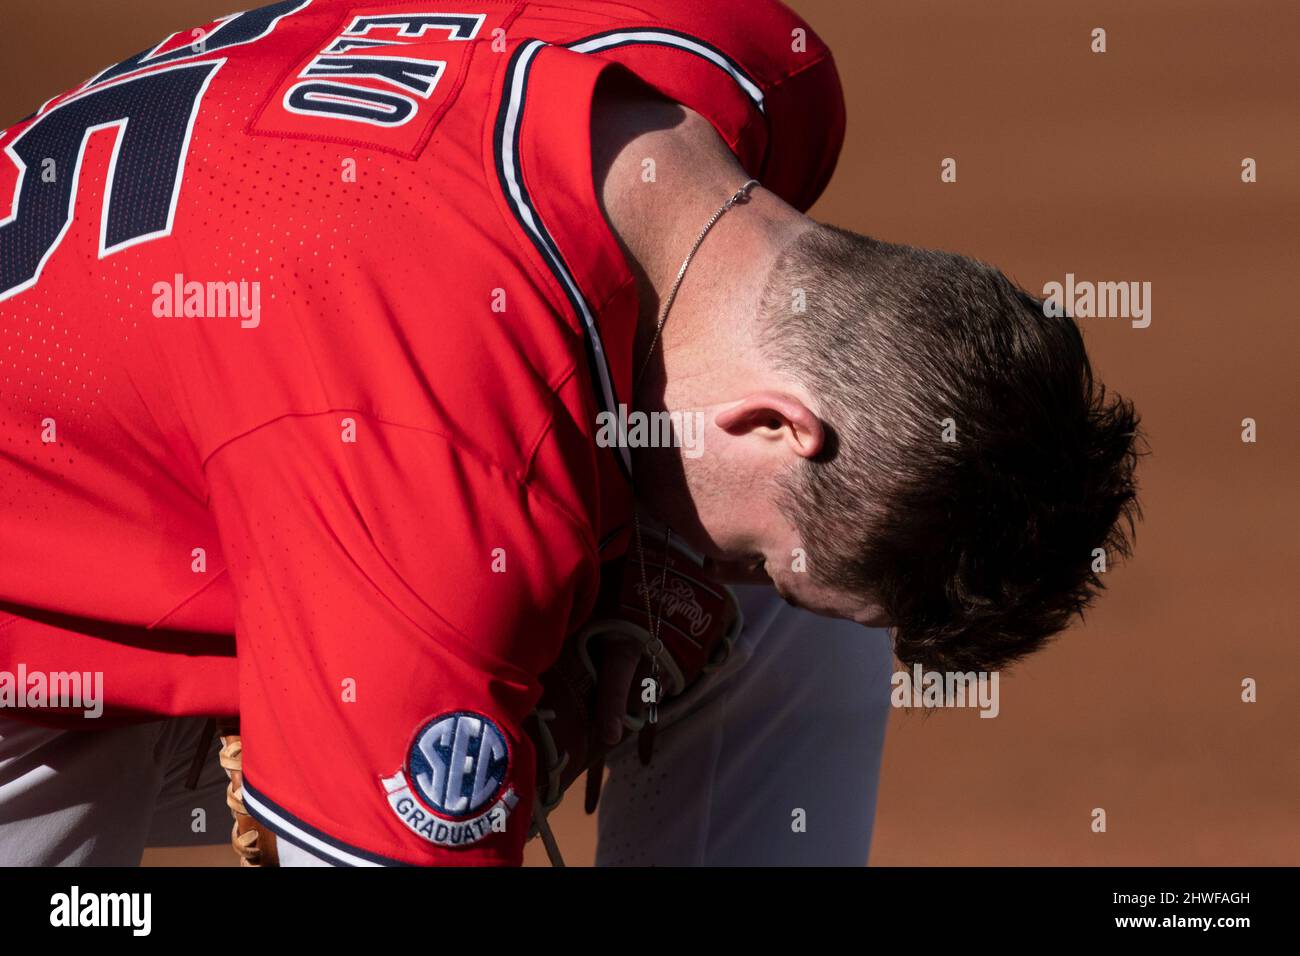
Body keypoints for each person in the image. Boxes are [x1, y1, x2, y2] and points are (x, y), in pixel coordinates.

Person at [0, 0, 1139, 866]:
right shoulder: (433, 487)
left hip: (200, 421)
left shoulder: (748, 68)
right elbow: (422, 479)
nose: (726, 578)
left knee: (792, 615)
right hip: (39, 686)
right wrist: (452, 717)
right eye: (752, 554)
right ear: (769, 419)